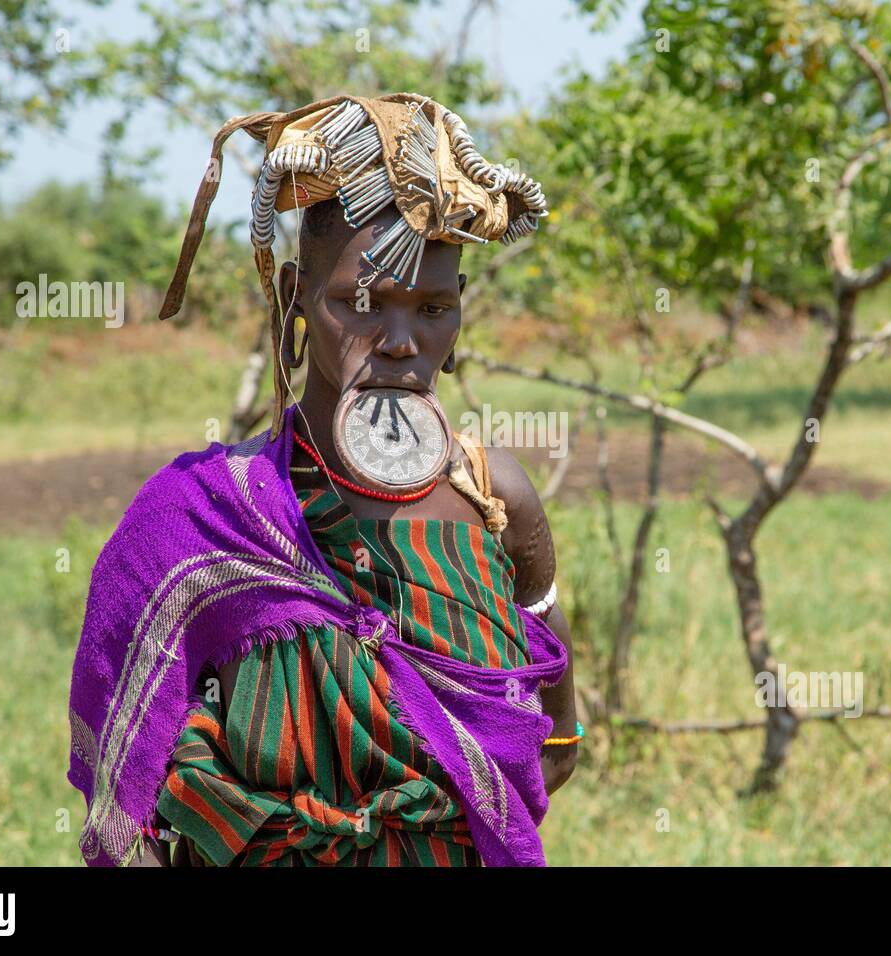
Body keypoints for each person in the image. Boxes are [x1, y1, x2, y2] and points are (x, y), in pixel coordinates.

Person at [66, 92, 579, 868]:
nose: (401, 342)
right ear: (294, 299)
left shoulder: (491, 494)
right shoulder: (203, 513)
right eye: (359, 303)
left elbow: (555, 741)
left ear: (460, 311)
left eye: (433, 307)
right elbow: (128, 765)